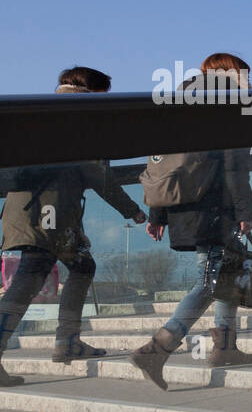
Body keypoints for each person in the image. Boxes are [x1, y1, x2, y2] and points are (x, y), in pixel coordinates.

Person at [0, 67, 147, 387]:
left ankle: (68, 340)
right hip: (47, 214)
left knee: (78, 267)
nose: (106, 104)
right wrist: (132, 210)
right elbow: (97, 174)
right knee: (31, 279)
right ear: (91, 91)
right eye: (104, 96)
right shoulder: (77, 117)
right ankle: (66, 340)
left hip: (27, 210)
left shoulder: (40, 113)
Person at [131, 53, 252, 389]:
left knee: (228, 269)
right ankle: (157, 348)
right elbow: (234, 165)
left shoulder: (179, 100)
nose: (250, 79)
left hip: (181, 204)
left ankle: (225, 347)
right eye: (245, 73)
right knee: (211, 281)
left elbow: (160, 162)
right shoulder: (229, 99)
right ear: (231, 72)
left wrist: (158, 212)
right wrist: (245, 210)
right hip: (214, 204)